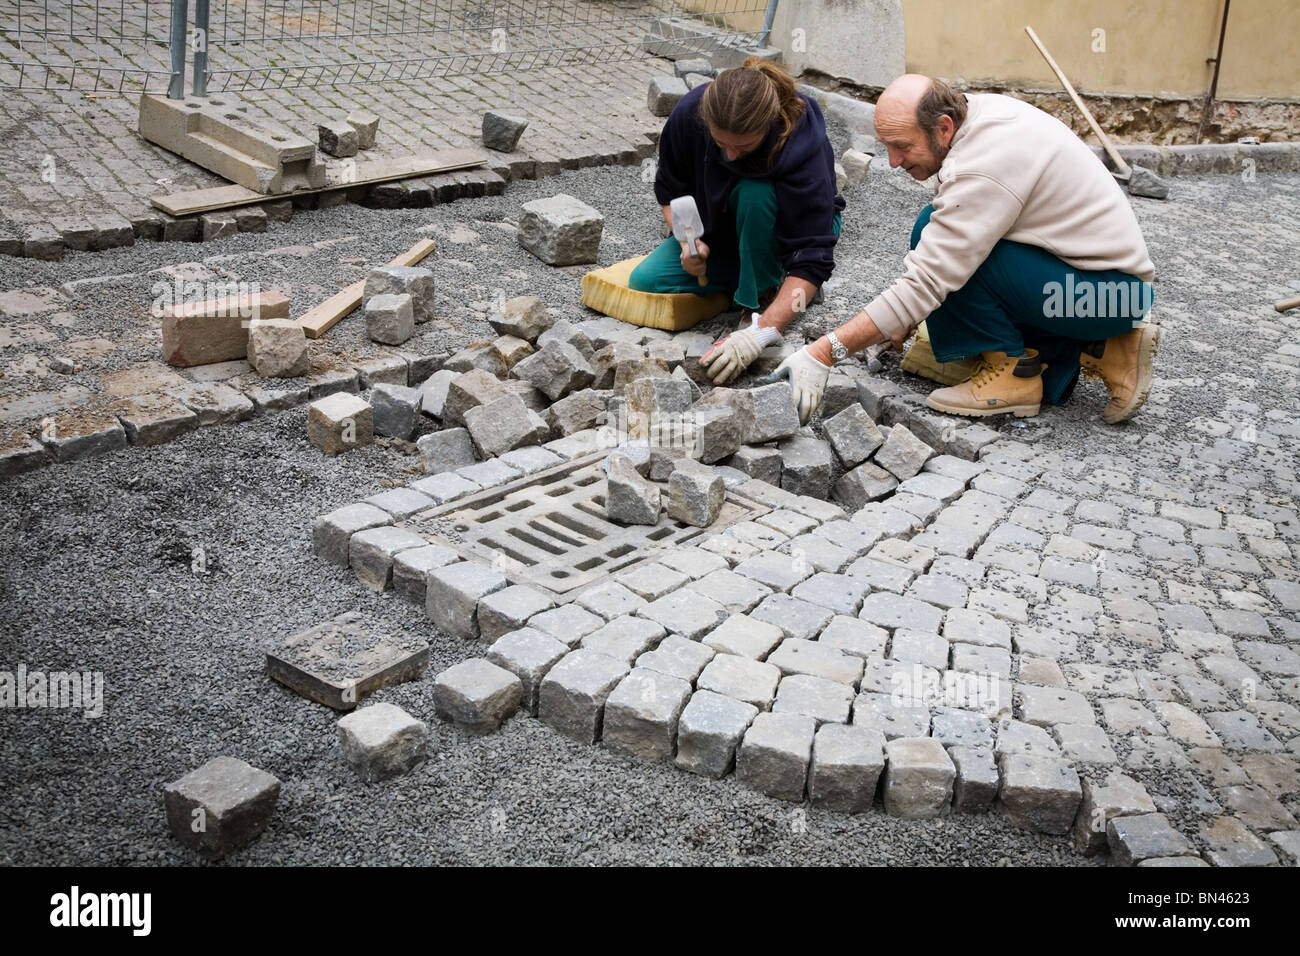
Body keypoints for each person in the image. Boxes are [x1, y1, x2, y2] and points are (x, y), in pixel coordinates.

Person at [772, 73, 1159, 425]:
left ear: (943, 127)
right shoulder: (978, 115)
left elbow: (928, 281)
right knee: (939, 231)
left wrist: (823, 352)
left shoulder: (983, 164)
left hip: (1107, 300)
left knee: (949, 251)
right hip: (1112, 296)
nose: (893, 162)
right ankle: (1104, 347)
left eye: (902, 146)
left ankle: (1014, 375)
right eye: (887, 146)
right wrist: (903, 319)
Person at [631, 57, 845, 384]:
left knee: (754, 193)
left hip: (789, 229)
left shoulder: (800, 141)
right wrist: (688, 240)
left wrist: (762, 332)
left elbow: (813, 256)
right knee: (645, 280)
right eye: (721, 144)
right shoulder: (689, 114)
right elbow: (672, 192)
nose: (730, 155)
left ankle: (763, 294)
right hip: (726, 226)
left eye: (744, 146)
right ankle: (759, 278)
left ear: (768, 125)